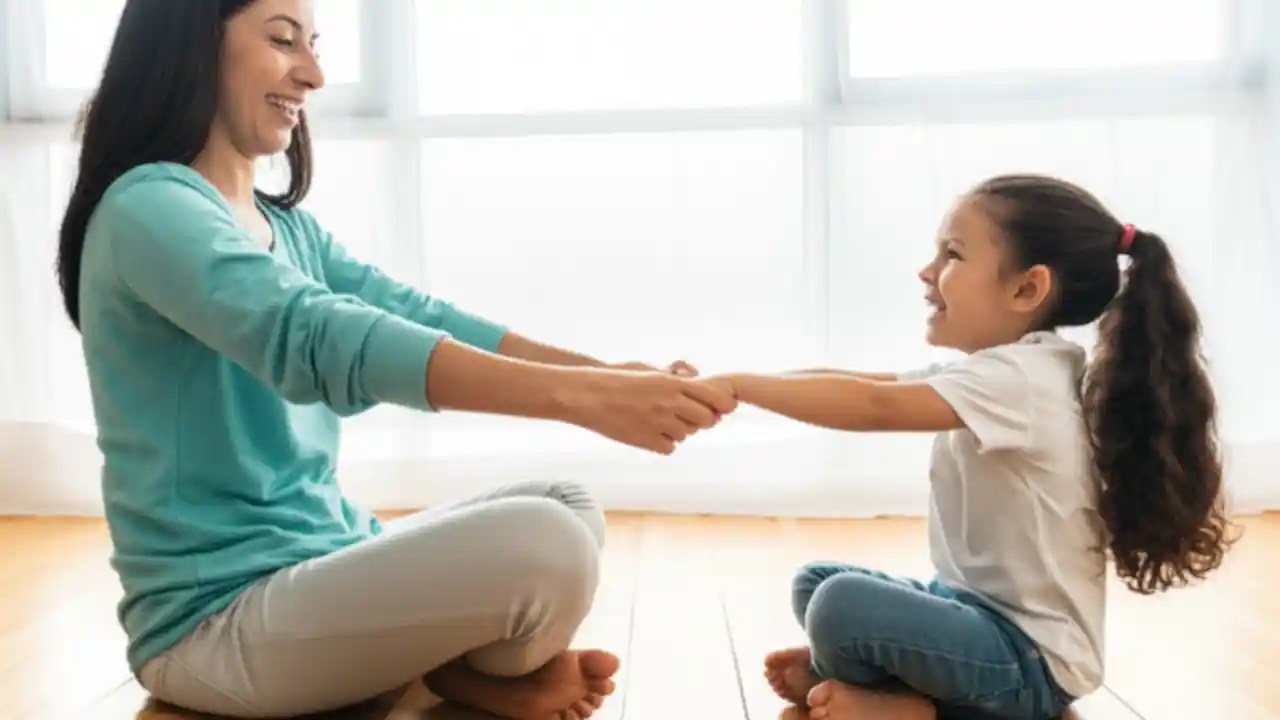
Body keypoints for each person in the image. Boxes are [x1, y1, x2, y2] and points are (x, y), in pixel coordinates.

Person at [56, 1, 737, 717]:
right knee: (549, 549)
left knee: (566, 507)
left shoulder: (286, 227)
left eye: (314, 45)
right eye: (285, 40)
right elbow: (316, 337)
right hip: (214, 626)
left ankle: (439, 668)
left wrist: (604, 376)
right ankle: (448, 667)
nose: (314, 74)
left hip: (321, 561)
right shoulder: (147, 207)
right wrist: (582, 401)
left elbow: (419, 317)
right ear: (189, 42)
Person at [705, 174, 1234, 719]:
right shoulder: (1005, 371)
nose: (927, 271)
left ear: (1027, 289)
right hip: (977, 615)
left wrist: (739, 387)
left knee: (838, 606)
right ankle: (876, 687)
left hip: (1031, 662)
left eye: (952, 254)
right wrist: (734, 380)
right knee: (817, 584)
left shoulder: (1022, 381)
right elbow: (873, 382)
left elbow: (872, 406)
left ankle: (914, 710)